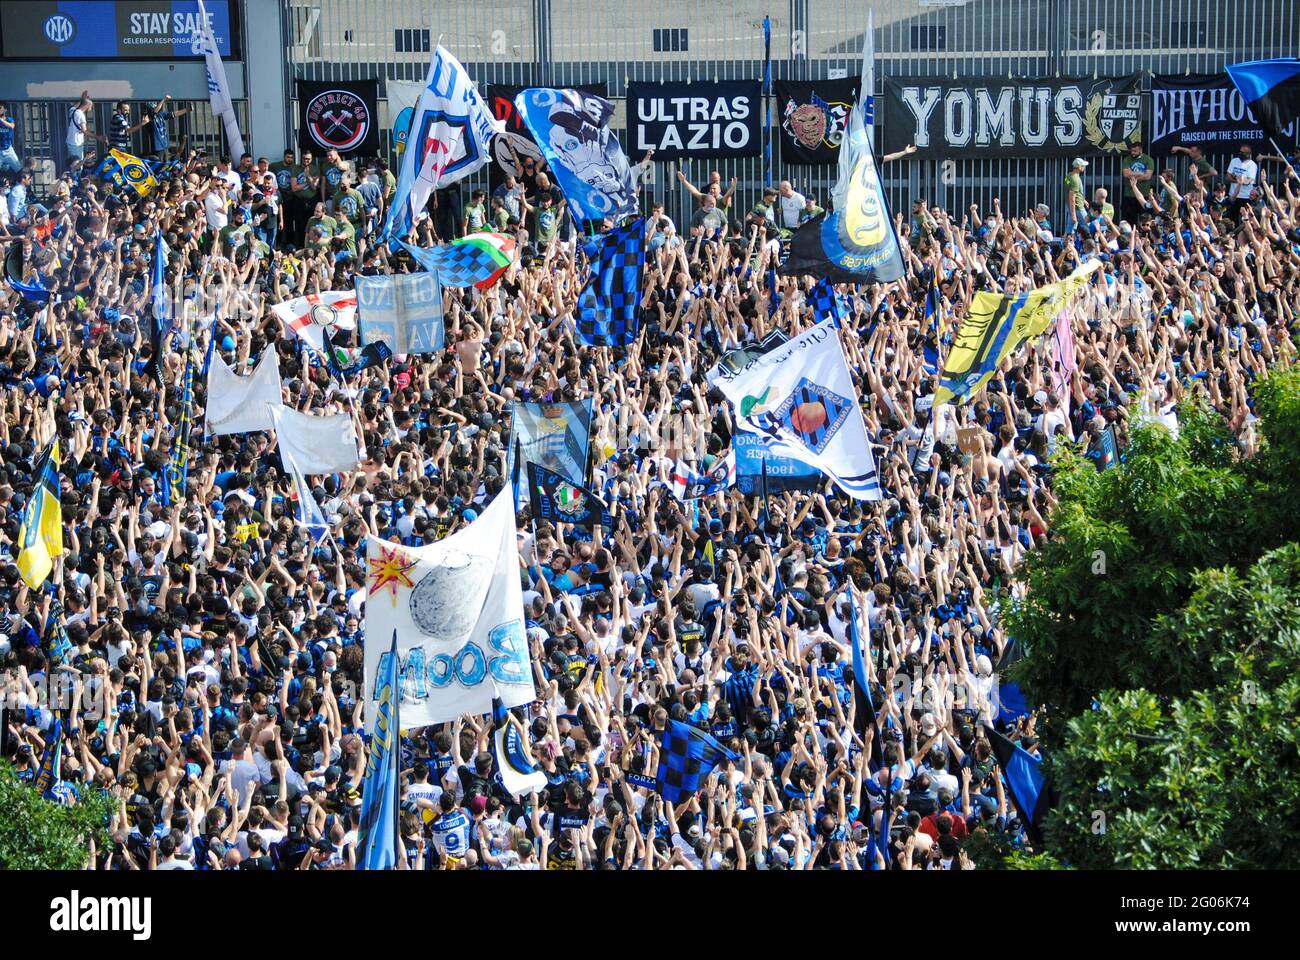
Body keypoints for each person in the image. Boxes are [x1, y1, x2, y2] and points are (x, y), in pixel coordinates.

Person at [1119, 140, 1155, 223]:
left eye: (1135, 151)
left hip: (1144, 194)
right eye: (1131, 151)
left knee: (1145, 220)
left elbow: (1148, 176)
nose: (1133, 153)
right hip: (1129, 194)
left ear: (1140, 150)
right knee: (1129, 219)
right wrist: (1139, 173)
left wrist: (1133, 177)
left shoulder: (1148, 160)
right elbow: (1126, 173)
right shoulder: (1127, 159)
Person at [1225, 144, 1259, 221]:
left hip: (1245, 197)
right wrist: (1239, 180)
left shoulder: (1252, 165)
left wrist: (1235, 177)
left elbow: (1249, 181)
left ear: (1248, 154)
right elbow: (1228, 177)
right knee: (1231, 218)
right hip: (1233, 195)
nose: (1240, 153)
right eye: (1240, 152)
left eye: (1243, 152)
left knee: (1245, 219)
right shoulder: (1234, 161)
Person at [1063, 157, 1088, 229]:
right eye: (1083, 166)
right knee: (1087, 226)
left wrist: (1083, 199)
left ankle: (1066, 238)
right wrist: (1073, 214)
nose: (1084, 167)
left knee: (1071, 227)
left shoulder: (1069, 175)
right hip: (1077, 206)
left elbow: (1071, 191)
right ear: (1079, 167)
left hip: (1072, 206)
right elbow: (1072, 197)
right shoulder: (1075, 179)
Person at [0, 104, 19, 175]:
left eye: (0, 108)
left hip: (8, 149)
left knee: (18, 168)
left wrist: (1, 120)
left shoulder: (9, 119)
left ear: (5, 110)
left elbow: (11, 126)